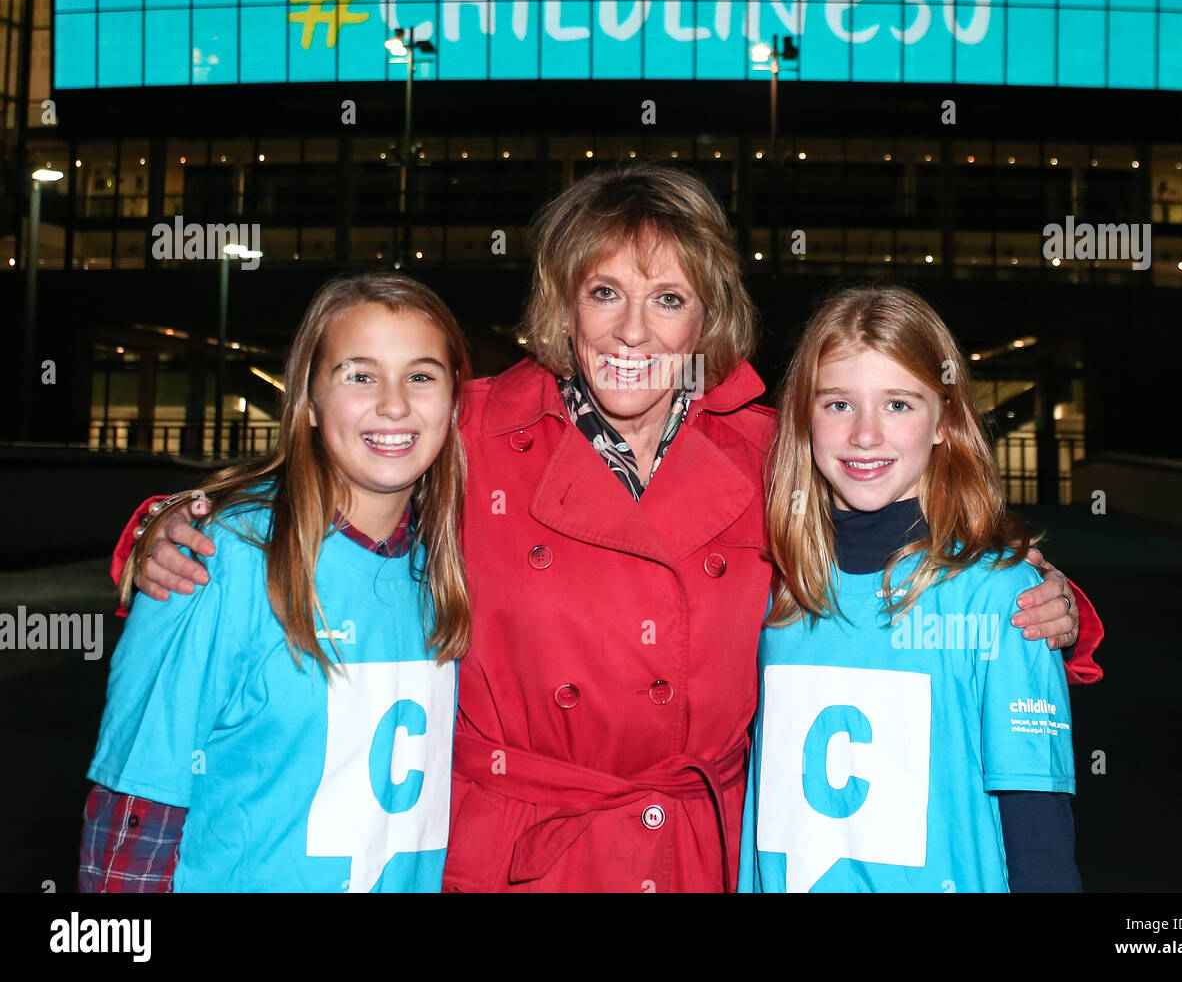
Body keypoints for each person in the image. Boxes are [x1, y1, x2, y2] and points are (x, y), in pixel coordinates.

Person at [112, 163, 1100, 893]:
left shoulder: (771, 449)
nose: (632, 334)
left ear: (706, 318)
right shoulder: (478, 426)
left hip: (696, 854)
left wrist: (1052, 606)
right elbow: (351, 490)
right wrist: (163, 533)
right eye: (605, 295)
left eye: (667, 301)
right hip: (516, 854)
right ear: (562, 305)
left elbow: (903, 543)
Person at [80, 274, 471, 892]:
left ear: (455, 401)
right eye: (360, 375)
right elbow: (138, 809)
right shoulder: (216, 557)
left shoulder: (451, 565)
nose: (395, 404)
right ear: (309, 402)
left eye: (421, 375)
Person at [740, 286, 1080, 892]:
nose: (866, 435)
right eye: (838, 404)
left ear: (944, 420)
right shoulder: (767, 587)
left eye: (898, 405)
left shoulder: (1006, 599)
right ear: (802, 418)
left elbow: (1039, 839)